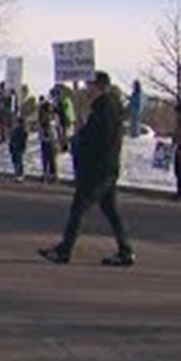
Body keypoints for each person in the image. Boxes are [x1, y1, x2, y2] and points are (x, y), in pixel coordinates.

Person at [39, 71, 134, 267]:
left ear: (99, 86)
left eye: (89, 85)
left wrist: (81, 141)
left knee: (78, 209)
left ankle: (64, 251)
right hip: (107, 167)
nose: (86, 89)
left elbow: (98, 139)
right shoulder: (109, 107)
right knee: (111, 211)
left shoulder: (104, 108)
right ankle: (125, 250)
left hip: (97, 169)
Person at [38, 98, 58, 183]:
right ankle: (51, 174)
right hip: (51, 139)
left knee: (48, 158)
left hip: (48, 139)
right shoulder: (53, 116)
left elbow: (46, 128)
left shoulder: (46, 117)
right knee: (50, 158)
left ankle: (49, 174)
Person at [9, 114, 28, 181]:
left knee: (18, 161)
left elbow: (13, 138)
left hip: (17, 146)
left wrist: (11, 145)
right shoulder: (21, 129)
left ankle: (19, 174)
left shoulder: (19, 129)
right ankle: (18, 174)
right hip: (17, 146)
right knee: (17, 161)